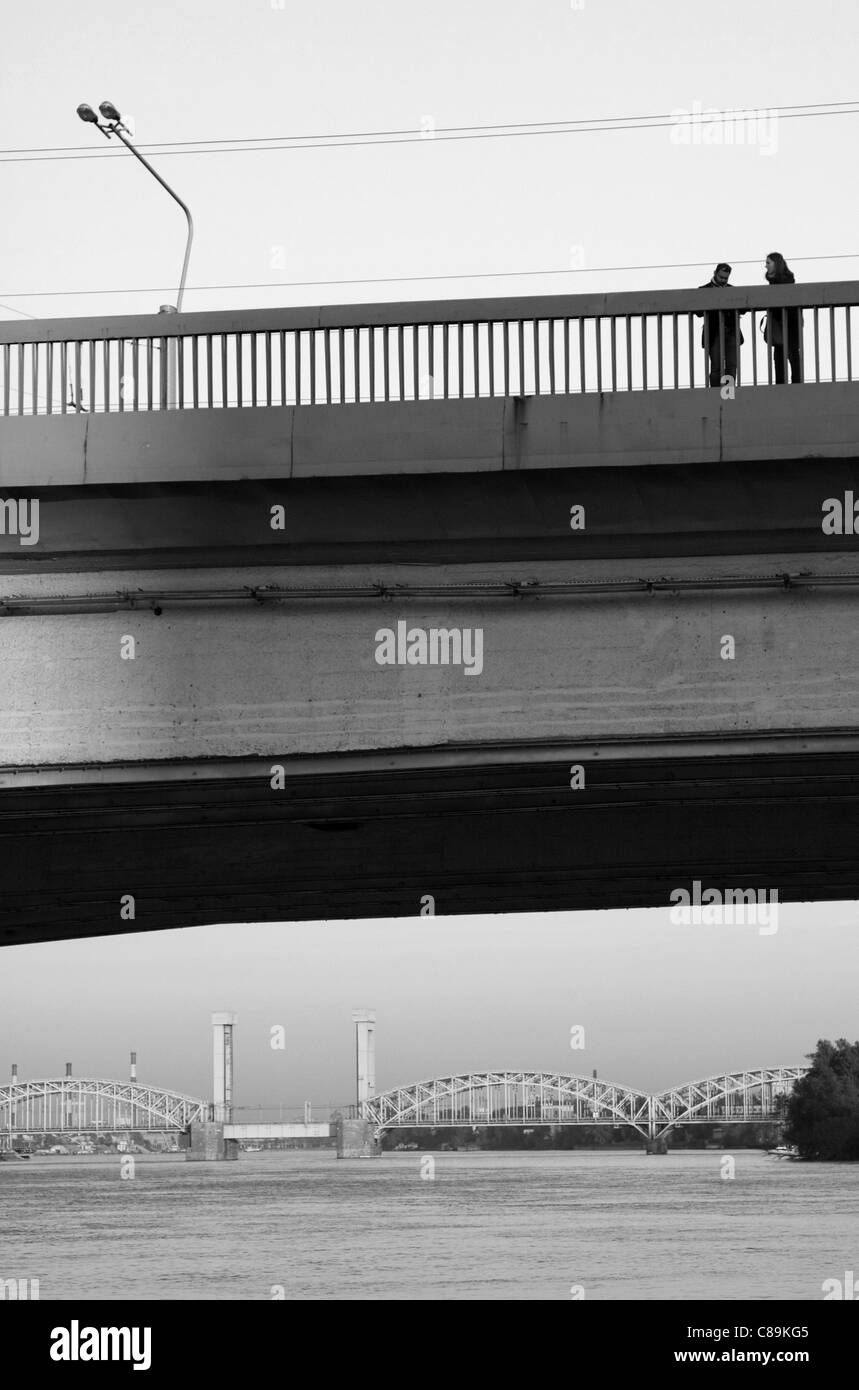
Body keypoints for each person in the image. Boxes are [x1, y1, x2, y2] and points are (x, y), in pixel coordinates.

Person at [696, 263, 743, 387]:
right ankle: (717, 397)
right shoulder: (704, 290)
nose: (723, 280)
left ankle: (727, 394)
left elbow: (743, 309)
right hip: (714, 332)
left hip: (731, 330)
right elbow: (698, 312)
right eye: (721, 277)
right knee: (716, 366)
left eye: (726, 278)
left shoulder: (732, 290)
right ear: (715, 273)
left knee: (731, 366)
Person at [763, 253, 802, 383]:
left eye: (768, 263)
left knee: (791, 353)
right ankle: (783, 383)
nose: (765, 266)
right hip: (780, 321)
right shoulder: (779, 280)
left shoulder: (785, 280)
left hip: (790, 321)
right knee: (781, 353)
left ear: (776, 263)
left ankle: (794, 383)